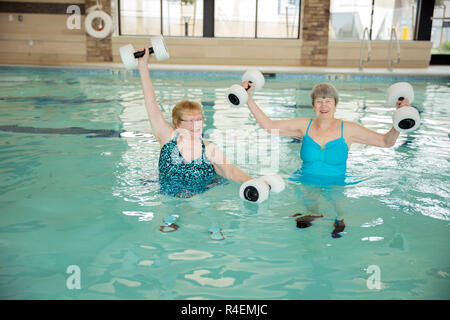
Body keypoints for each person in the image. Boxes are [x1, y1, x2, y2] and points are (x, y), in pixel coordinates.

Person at [242, 81, 410, 237]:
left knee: (339, 210)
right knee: (310, 206)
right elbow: (269, 126)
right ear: (313, 105)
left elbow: (386, 142)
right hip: (306, 180)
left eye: (328, 101)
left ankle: (339, 218)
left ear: (335, 104)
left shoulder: (348, 129)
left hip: (336, 182)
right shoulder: (304, 125)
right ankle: (313, 213)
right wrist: (247, 98)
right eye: (319, 101)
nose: (324, 105)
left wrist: (400, 117)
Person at [137, 46, 253, 201]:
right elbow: (151, 102)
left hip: (200, 200)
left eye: (199, 120)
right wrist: (142, 66)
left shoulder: (210, 149)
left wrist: (251, 182)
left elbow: (230, 170)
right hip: (167, 197)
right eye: (190, 121)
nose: (196, 125)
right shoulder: (167, 137)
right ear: (178, 124)